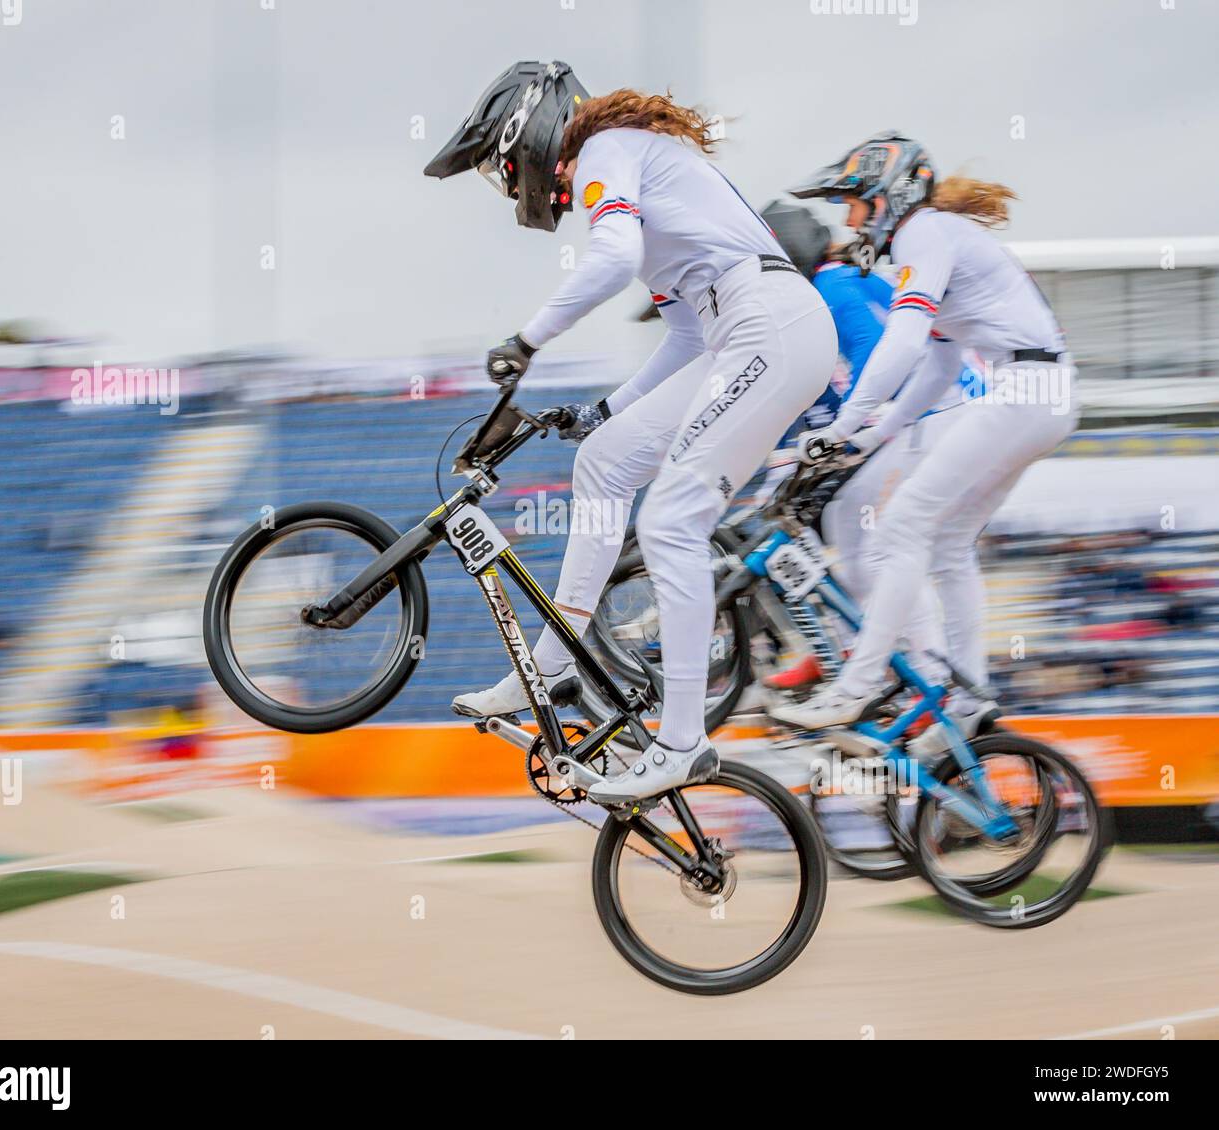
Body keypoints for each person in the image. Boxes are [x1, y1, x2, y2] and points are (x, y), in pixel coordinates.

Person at [425, 62, 837, 801]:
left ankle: (682, 739)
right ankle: (553, 662)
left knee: (675, 519)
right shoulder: (634, 165)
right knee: (606, 462)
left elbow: (611, 260)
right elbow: (682, 339)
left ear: (532, 132)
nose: (507, 179)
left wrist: (528, 339)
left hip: (768, 327)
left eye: (501, 163)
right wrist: (608, 413)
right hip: (747, 328)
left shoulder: (607, 147)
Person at [771, 131, 1076, 734]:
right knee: (948, 544)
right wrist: (866, 434)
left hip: (1026, 390)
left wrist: (846, 423)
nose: (850, 219)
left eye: (854, 204)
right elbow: (936, 366)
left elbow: (902, 342)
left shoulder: (923, 234)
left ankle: (856, 687)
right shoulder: (936, 238)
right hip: (1042, 392)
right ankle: (968, 702)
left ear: (887, 198)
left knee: (896, 534)